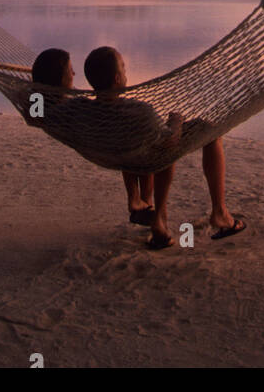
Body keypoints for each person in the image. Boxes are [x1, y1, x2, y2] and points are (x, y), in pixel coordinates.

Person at [83, 45, 246, 251]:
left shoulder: (84, 110)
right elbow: (169, 140)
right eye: (123, 67)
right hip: (149, 154)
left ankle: (150, 215)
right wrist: (176, 120)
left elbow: (45, 111)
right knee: (208, 131)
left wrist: (34, 96)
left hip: (122, 154)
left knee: (140, 147)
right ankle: (219, 212)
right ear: (117, 78)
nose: (126, 71)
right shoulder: (139, 111)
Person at [30, 46, 156, 226]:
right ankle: (145, 203)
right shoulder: (73, 108)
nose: (74, 73)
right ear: (59, 77)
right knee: (137, 139)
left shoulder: (63, 110)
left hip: (105, 147)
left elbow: (34, 114)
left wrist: (32, 89)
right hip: (121, 147)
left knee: (128, 136)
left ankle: (139, 201)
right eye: (69, 71)